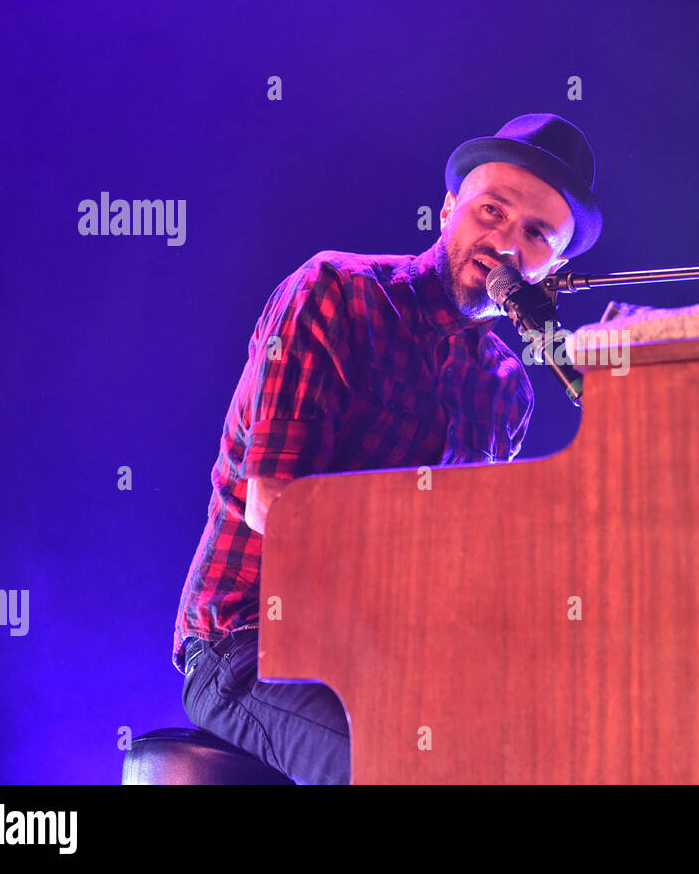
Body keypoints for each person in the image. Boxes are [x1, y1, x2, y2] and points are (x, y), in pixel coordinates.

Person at [171, 113, 601, 784]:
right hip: (250, 642)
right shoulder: (334, 292)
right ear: (449, 207)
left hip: (392, 658)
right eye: (491, 209)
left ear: (556, 268)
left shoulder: (509, 391)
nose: (506, 242)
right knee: (405, 764)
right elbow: (278, 508)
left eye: (537, 233)